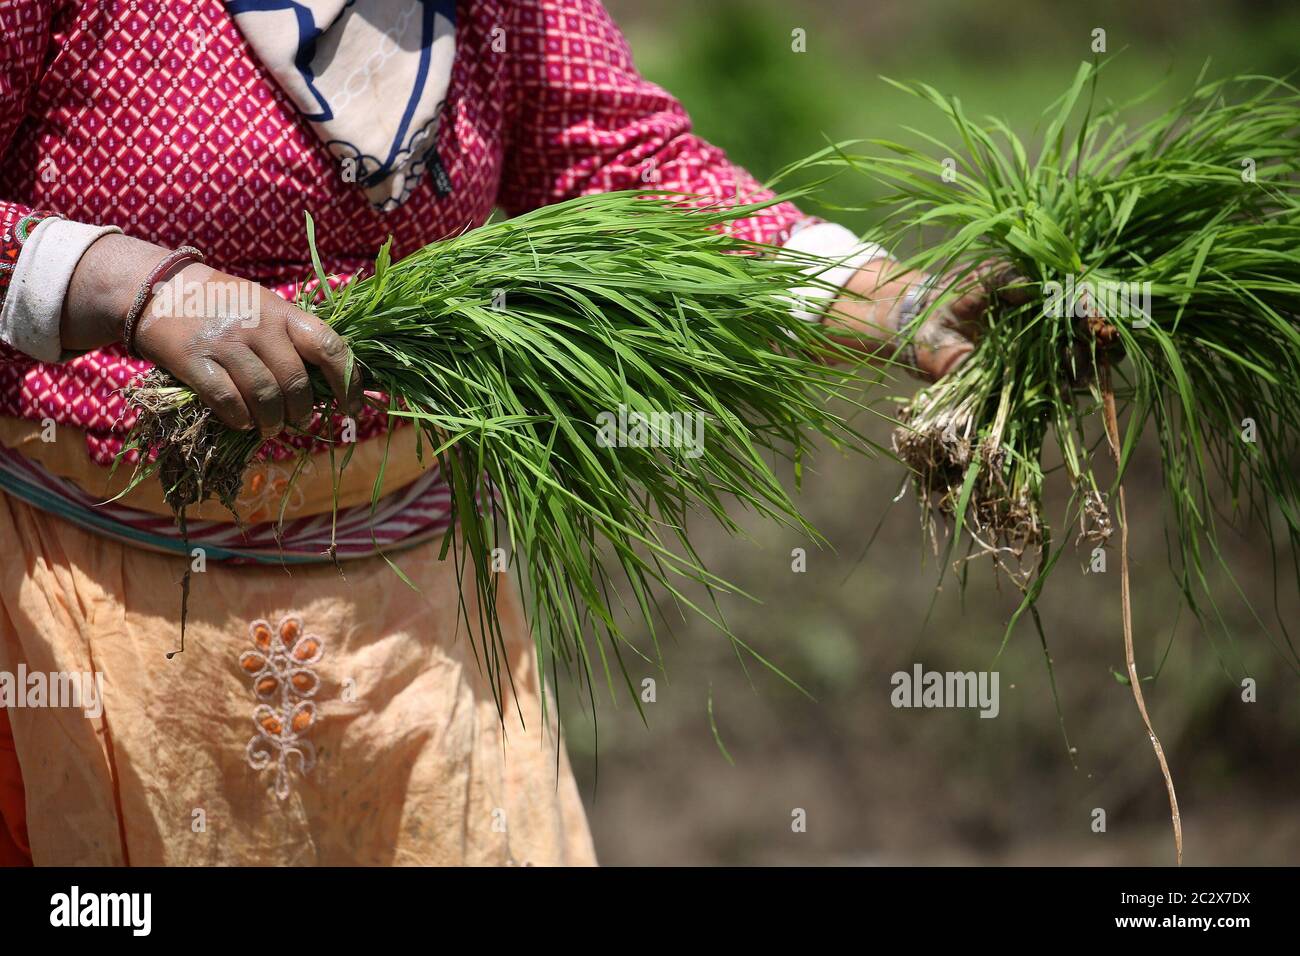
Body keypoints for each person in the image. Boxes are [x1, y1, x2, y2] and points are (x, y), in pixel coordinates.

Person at [0, 0, 994, 865]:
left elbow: (628, 164)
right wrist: (125, 285)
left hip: (411, 619)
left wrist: (901, 308)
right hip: (98, 607)